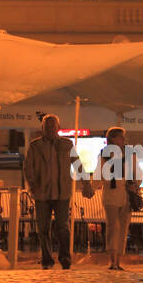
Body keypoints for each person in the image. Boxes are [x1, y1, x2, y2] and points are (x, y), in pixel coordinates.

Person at [23, 114, 92, 270]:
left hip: (62, 193)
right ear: (42, 128)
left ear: (58, 128)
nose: (50, 130)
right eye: (47, 127)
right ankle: (47, 259)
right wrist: (32, 184)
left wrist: (86, 183)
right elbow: (28, 167)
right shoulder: (35, 146)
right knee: (43, 228)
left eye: (53, 127)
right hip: (41, 193)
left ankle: (65, 258)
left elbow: (78, 165)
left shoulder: (67, 145)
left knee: (63, 226)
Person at [95, 126, 139, 270]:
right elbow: (100, 175)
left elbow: (137, 173)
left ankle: (118, 260)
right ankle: (112, 259)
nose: (123, 140)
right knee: (112, 227)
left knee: (123, 228)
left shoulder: (130, 153)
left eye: (123, 137)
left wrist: (134, 184)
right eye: (121, 137)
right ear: (112, 139)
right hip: (111, 194)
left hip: (126, 194)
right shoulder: (104, 154)